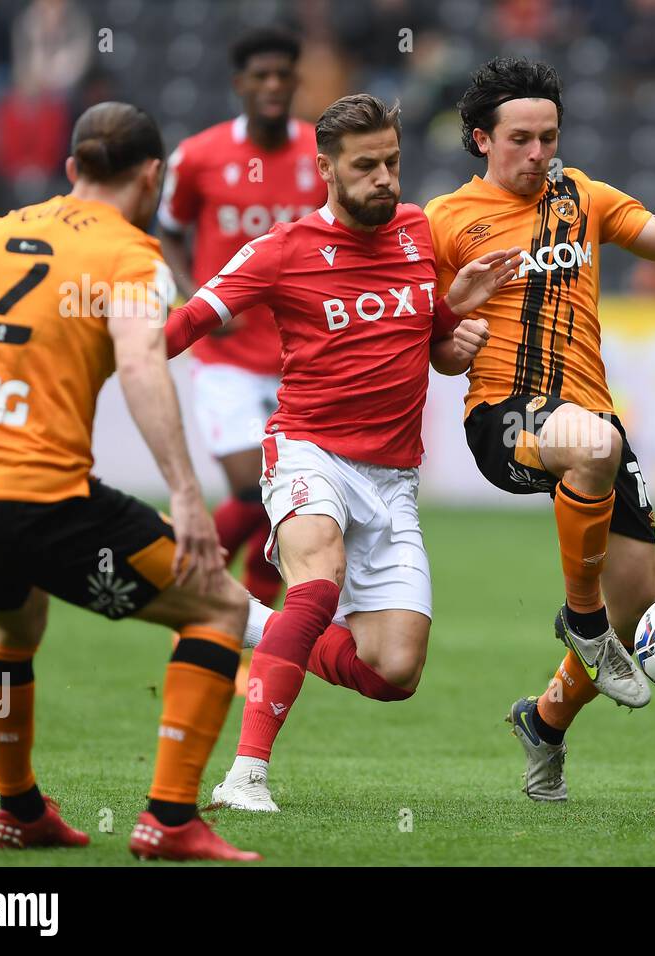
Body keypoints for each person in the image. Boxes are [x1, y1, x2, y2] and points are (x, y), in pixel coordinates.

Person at [0, 102, 259, 861]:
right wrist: (189, 495)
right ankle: (168, 821)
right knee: (220, 607)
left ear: (72, 170)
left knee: (15, 624)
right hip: (39, 500)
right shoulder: (133, 257)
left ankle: (20, 811)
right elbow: (140, 364)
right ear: (153, 176)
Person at [165, 93, 519, 811]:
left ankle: (246, 620)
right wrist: (98, 361)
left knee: (393, 672)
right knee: (318, 581)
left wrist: (459, 322)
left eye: (392, 161)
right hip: (308, 451)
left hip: (392, 479)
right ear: (326, 169)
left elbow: (438, 347)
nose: (386, 177)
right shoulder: (283, 250)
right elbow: (186, 324)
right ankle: (247, 775)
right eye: (367, 166)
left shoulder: (419, 232)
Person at [424, 56, 655, 801]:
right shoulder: (444, 221)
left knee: (637, 602)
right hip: (504, 418)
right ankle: (581, 621)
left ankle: (544, 722)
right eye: (521, 139)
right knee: (597, 449)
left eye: (550, 136)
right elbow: (434, 348)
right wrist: (452, 339)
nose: (539, 153)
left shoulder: (584, 197)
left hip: (590, 416)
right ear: (480, 139)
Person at [158, 27, 326, 607]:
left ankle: (245, 622)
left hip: (301, 355)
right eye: (262, 75)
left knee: (291, 500)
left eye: (284, 74)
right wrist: (199, 295)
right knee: (254, 487)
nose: (274, 85)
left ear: (296, 80)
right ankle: (189, 573)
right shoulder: (198, 157)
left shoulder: (322, 155)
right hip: (225, 355)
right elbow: (169, 234)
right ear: (241, 84)